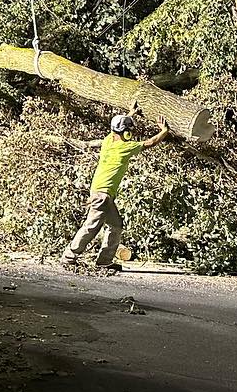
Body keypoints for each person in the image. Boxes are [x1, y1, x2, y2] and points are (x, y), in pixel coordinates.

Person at [61, 100, 168, 271]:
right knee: (91, 226)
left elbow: (117, 127)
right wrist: (164, 131)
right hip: (103, 195)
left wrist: (130, 113)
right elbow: (150, 143)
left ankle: (104, 261)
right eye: (129, 131)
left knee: (116, 225)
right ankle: (69, 257)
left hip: (102, 193)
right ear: (126, 133)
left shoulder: (108, 141)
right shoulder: (125, 147)